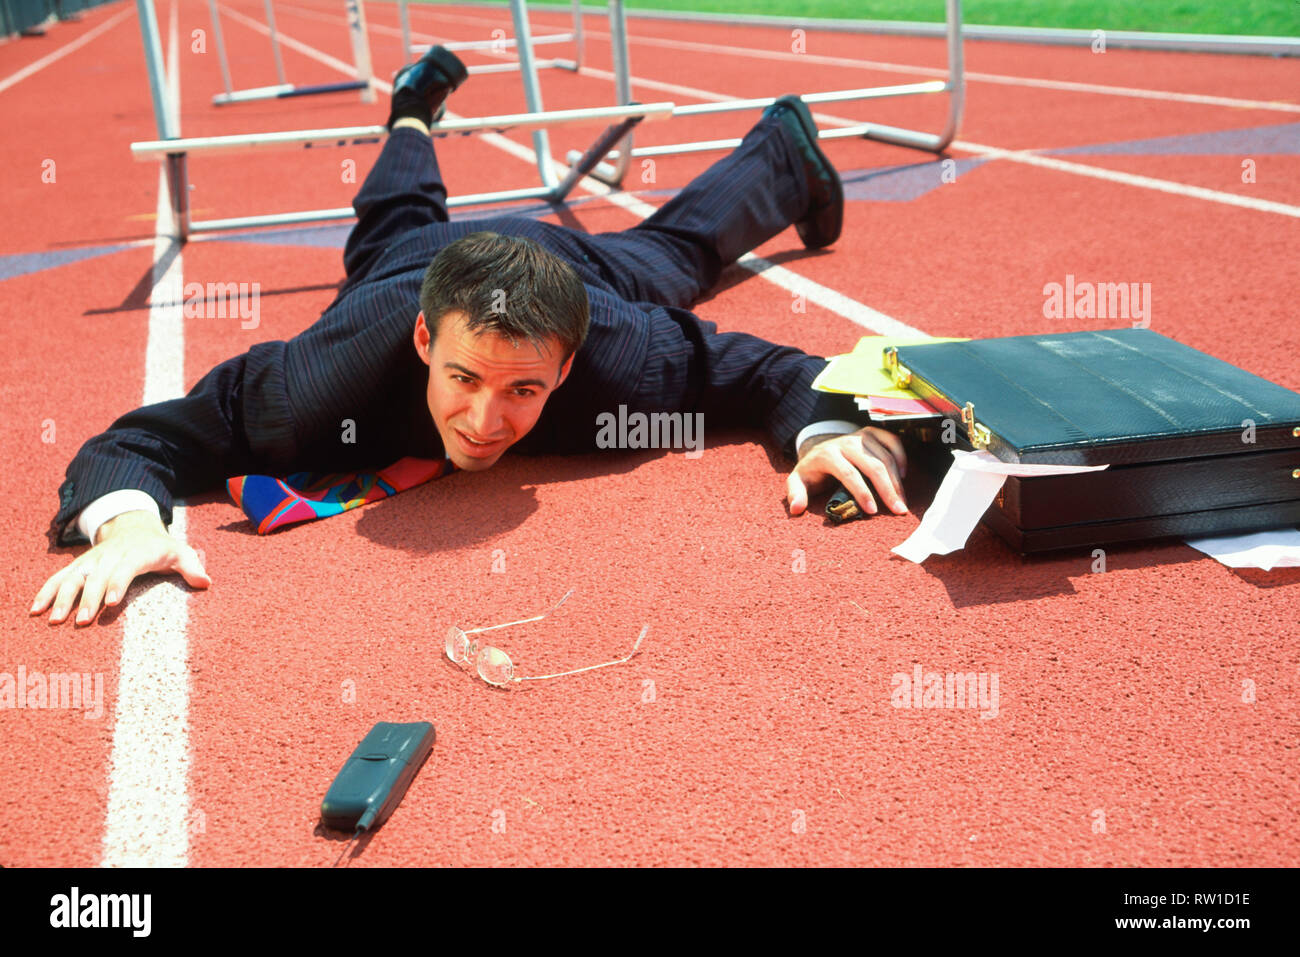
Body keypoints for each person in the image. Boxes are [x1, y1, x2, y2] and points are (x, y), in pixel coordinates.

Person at [32, 46, 908, 627]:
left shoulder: (623, 355)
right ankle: (412, 109)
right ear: (423, 341)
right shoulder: (311, 388)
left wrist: (826, 431)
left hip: (562, 263)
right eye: (464, 378)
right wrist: (125, 528)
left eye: (523, 388)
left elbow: (769, 372)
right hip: (401, 267)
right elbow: (137, 440)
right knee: (394, 209)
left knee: (672, 257)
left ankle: (786, 151)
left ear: (567, 368)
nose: (486, 420)